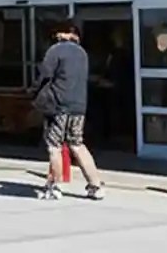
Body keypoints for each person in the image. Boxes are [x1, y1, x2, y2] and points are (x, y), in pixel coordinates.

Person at [33, 22, 105, 201]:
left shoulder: (55, 51)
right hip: (78, 106)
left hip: (58, 105)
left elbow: (45, 75)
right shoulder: (82, 53)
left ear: (60, 33)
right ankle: (95, 185)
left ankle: (54, 186)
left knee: (54, 146)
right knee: (77, 144)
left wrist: (35, 93)